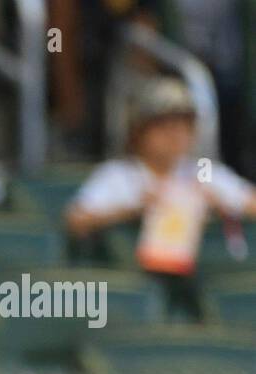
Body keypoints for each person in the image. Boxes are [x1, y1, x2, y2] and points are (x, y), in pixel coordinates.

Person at [66, 76, 256, 299]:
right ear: (139, 130)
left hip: (200, 287)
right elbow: (75, 220)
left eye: (184, 125)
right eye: (164, 126)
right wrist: (133, 209)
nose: (175, 134)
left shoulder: (203, 171)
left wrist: (219, 205)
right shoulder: (118, 174)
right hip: (136, 287)